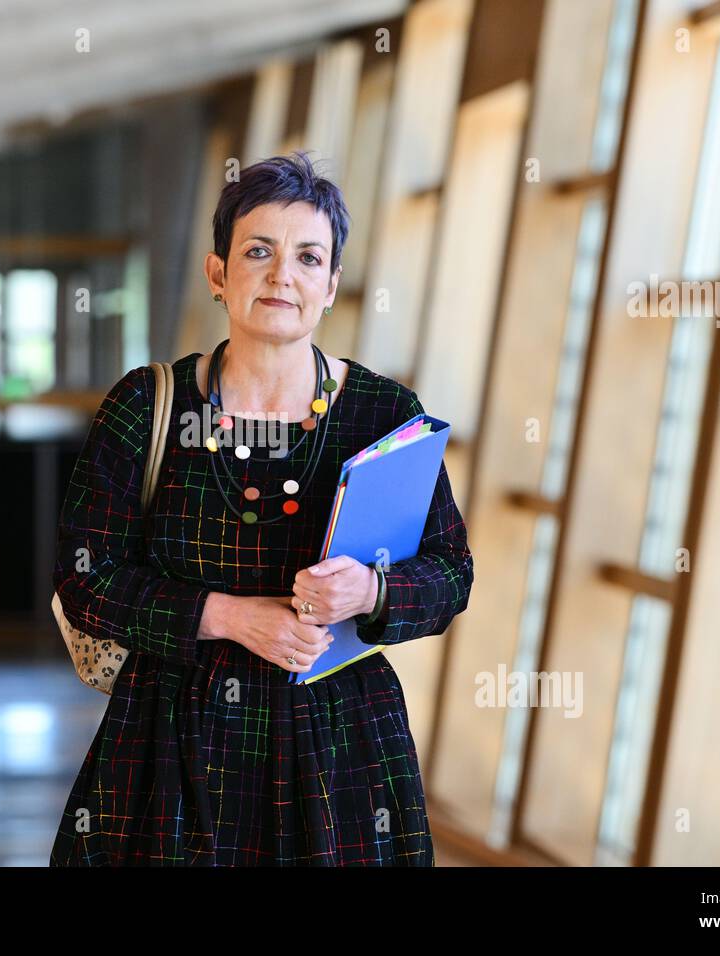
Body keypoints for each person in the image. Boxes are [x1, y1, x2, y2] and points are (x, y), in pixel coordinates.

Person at [49, 150, 473, 865]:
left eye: (309, 257)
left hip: (342, 752)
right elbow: (85, 579)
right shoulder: (148, 406)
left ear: (332, 284)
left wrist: (371, 589)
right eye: (259, 252)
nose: (284, 275)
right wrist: (229, 617)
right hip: (169, 744)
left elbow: (451, 574)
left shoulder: (384, 413)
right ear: (219, 273)